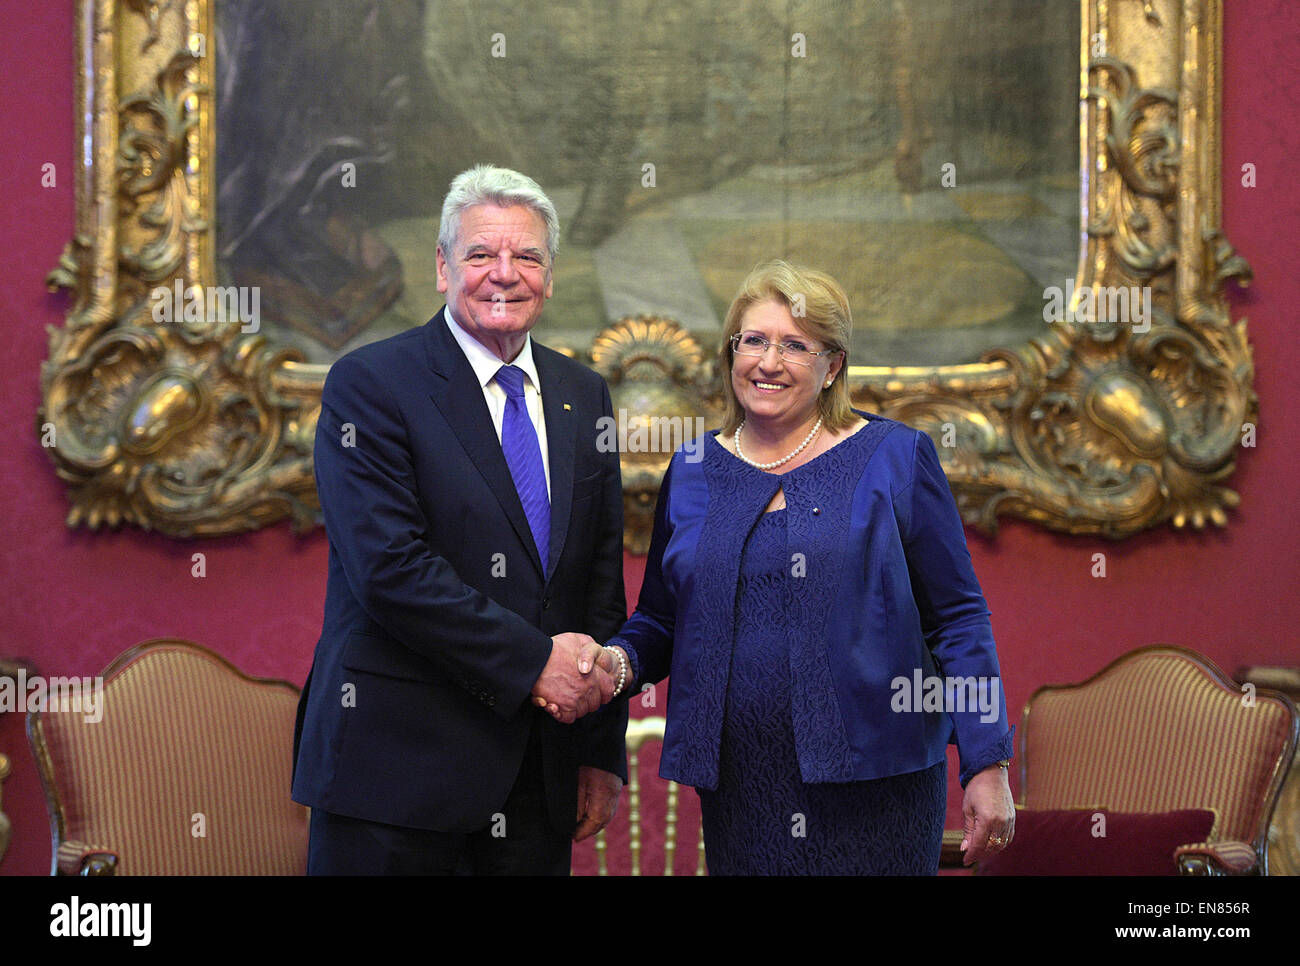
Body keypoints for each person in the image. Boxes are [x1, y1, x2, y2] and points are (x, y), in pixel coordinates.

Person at [572, 259, 1015, 874]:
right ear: (731, 354)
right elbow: (662, 620)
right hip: (743, 790)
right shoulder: (695, 469)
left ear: (832, 365)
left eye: (795, 345)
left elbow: (958, 618)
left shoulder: (895, 458)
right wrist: (614, 666)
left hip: (877, 789)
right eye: (752, 340)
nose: (768, 362)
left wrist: (986, 762)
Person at [292, 165, 628, 875]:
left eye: (526, 256)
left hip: (538, 780)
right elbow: (391, 572)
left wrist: (597, 752)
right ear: (443, 268)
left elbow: (598, 580)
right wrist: (536, 661)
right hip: (396, 779)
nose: (503, 274)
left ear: (550, 273)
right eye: (481, 255)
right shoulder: (372, 385)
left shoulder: (582, 394)